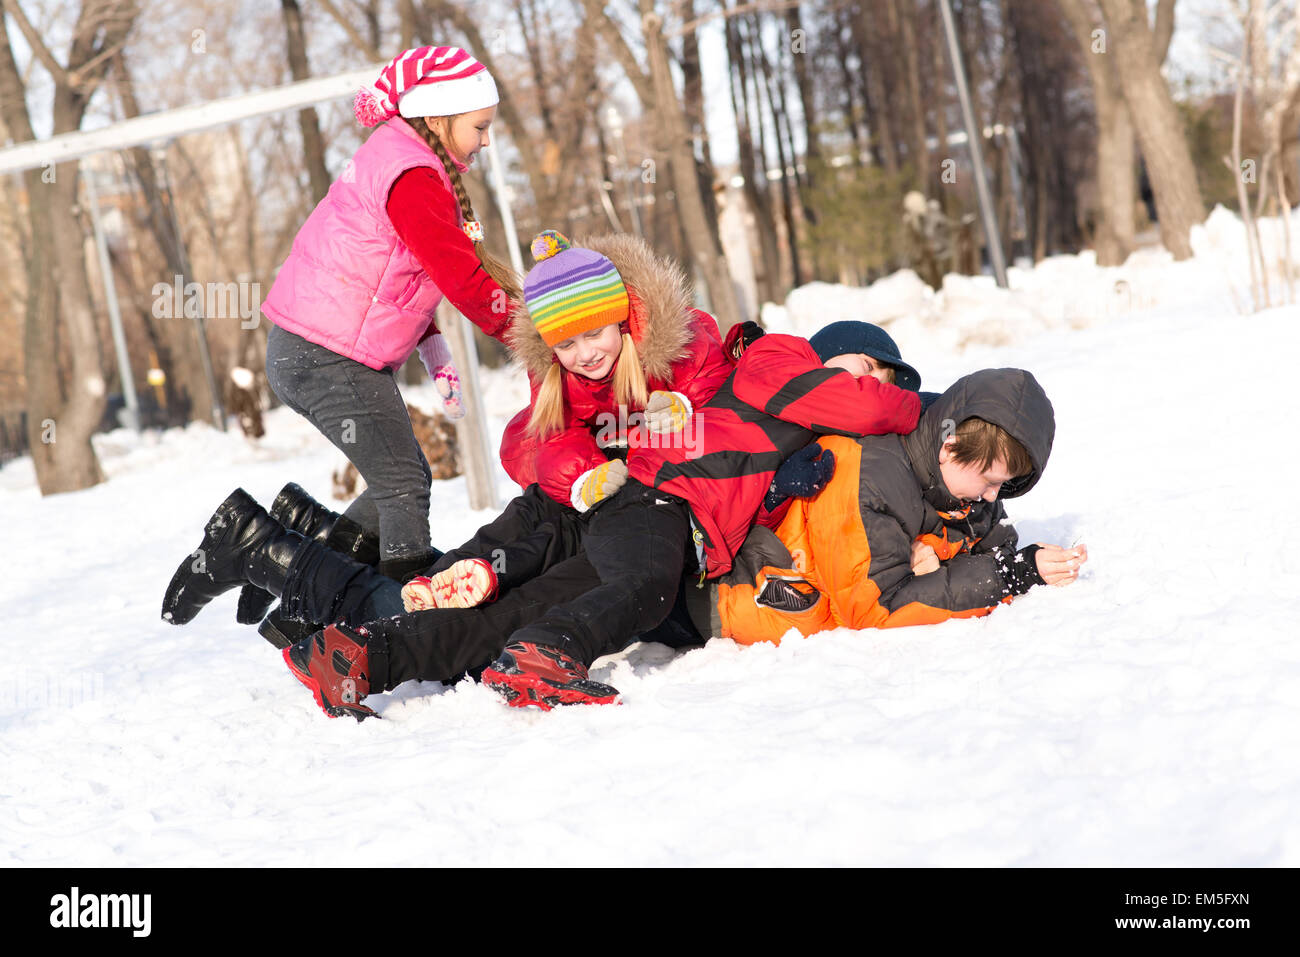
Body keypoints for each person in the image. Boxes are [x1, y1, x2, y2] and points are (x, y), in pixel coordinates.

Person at [160, 323, 922, 718]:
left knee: (489, 613)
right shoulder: (781, 364)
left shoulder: (741, 391)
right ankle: (279, 555)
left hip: (604, 497)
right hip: (623, 503)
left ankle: (355, 652)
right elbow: (532, 434)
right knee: (588, 594)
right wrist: (926, 410)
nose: (875, 391)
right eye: (873, 370)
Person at [257, 45, 519, 593]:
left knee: (398, 478)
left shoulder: (403, 157)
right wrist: (528, 332)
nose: (487, 140)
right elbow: (458, 273)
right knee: (401, 482)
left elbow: (399, 279)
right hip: (326, 353)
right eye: (481, 126)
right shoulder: (413, 175)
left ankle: (300, 586)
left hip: (312, 348)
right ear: (439, 117)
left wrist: (438, 344)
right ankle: (401, 614)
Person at [708, 368, 1088, 644]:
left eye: (1003, 485)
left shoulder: (963, 487)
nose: (993, 497)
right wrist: (1008, 575)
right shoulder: (868, 476)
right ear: (949, 446)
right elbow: (874, 607)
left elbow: (994, 547)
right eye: (990, 481)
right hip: (725, 605)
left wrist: (947, 564)